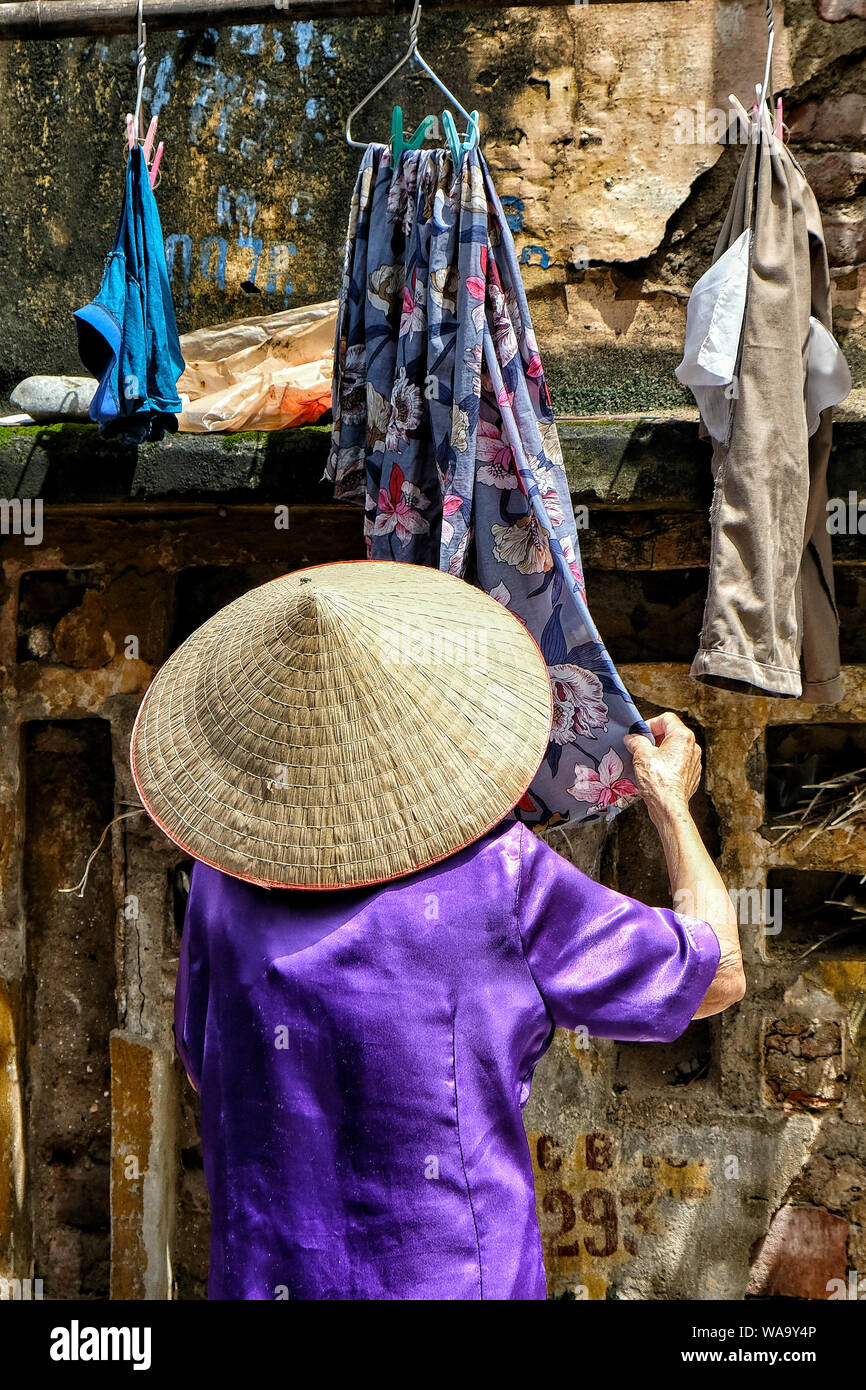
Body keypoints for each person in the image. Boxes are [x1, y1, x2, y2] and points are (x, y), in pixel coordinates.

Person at [131, 561, 744, 1301]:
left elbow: (204, 1064)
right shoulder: (501, 878)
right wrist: (670, 803)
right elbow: (715, 974)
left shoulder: (220, 885)